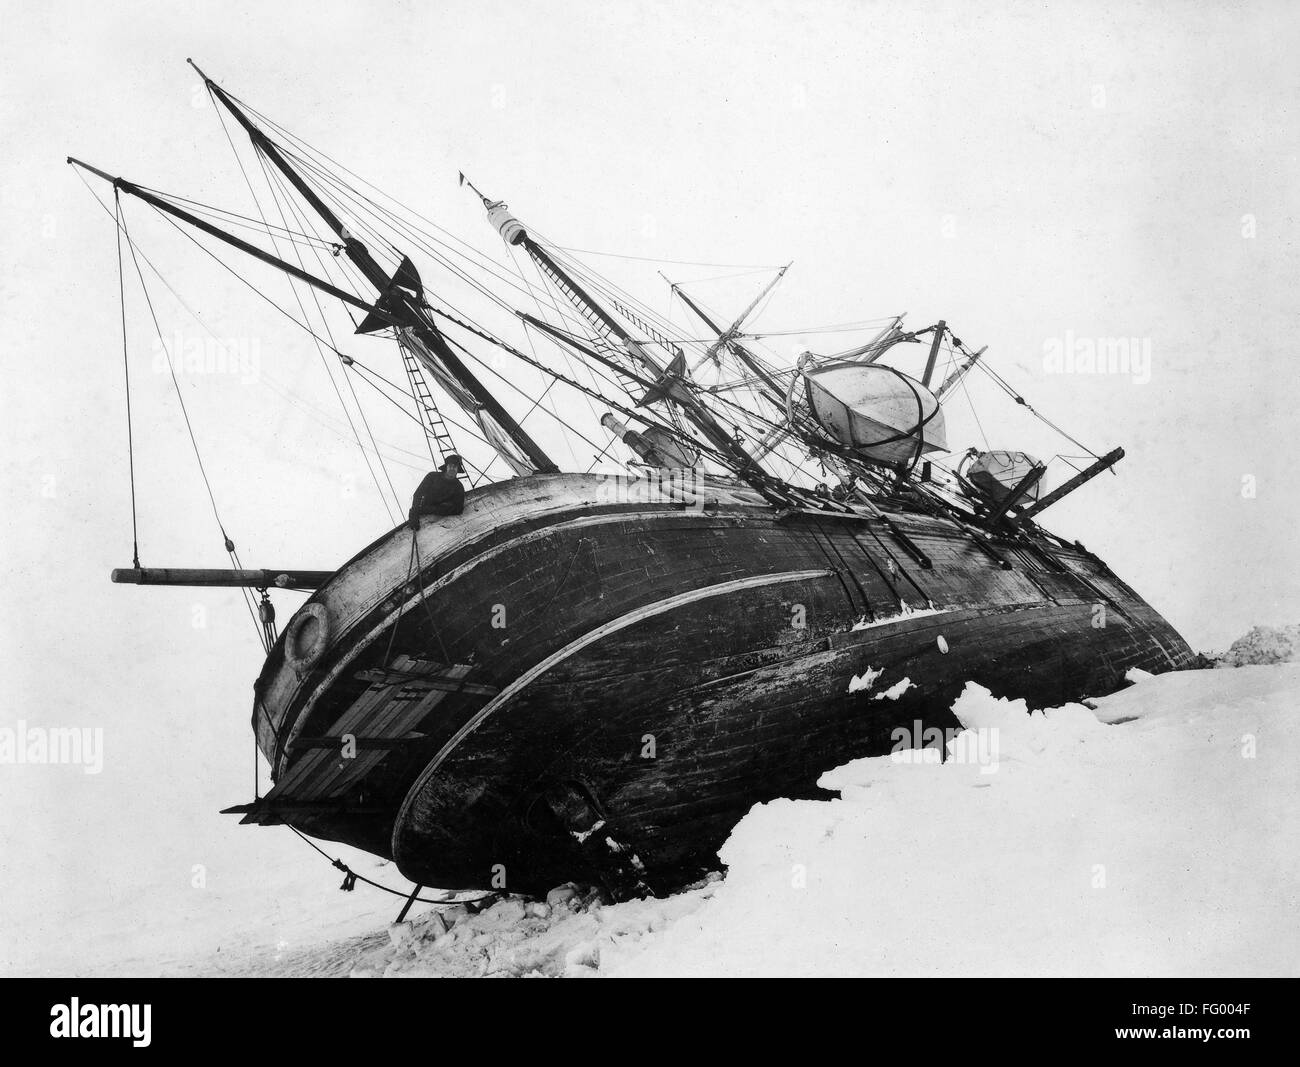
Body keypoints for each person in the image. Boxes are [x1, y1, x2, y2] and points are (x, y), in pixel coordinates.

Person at [409, 454, 465, 525]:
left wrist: (440, 509)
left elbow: (458, 509)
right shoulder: (432, 477)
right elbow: (418, 494)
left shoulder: (458, 487)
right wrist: (414, 513)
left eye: (455, 467)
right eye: (450, 466)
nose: (452, 469)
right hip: (424, 513)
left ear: (457, 470)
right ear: (446, 467)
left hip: (444, 519)